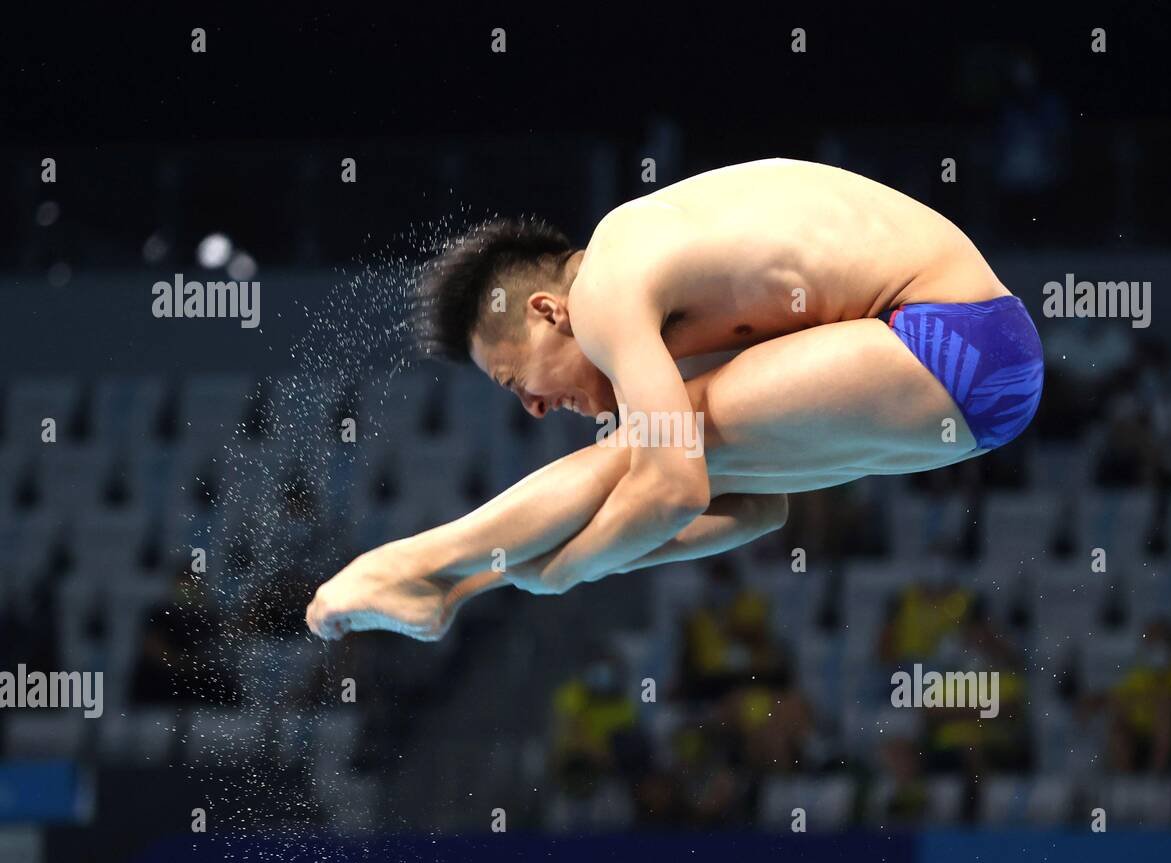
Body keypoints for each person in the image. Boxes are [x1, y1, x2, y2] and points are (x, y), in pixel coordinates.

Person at [306, 159, 1043, 641]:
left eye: (514, 381)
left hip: (949, 338)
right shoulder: (691, 297)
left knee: (639, 453)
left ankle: (406, 564)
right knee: (651, 450)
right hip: (985, 377)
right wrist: (535, 567)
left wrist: (563, 573)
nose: (532, 407)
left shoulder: (605, 287)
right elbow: (755, 508)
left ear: (546, 310)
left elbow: (672, 484)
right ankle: (454, 580)